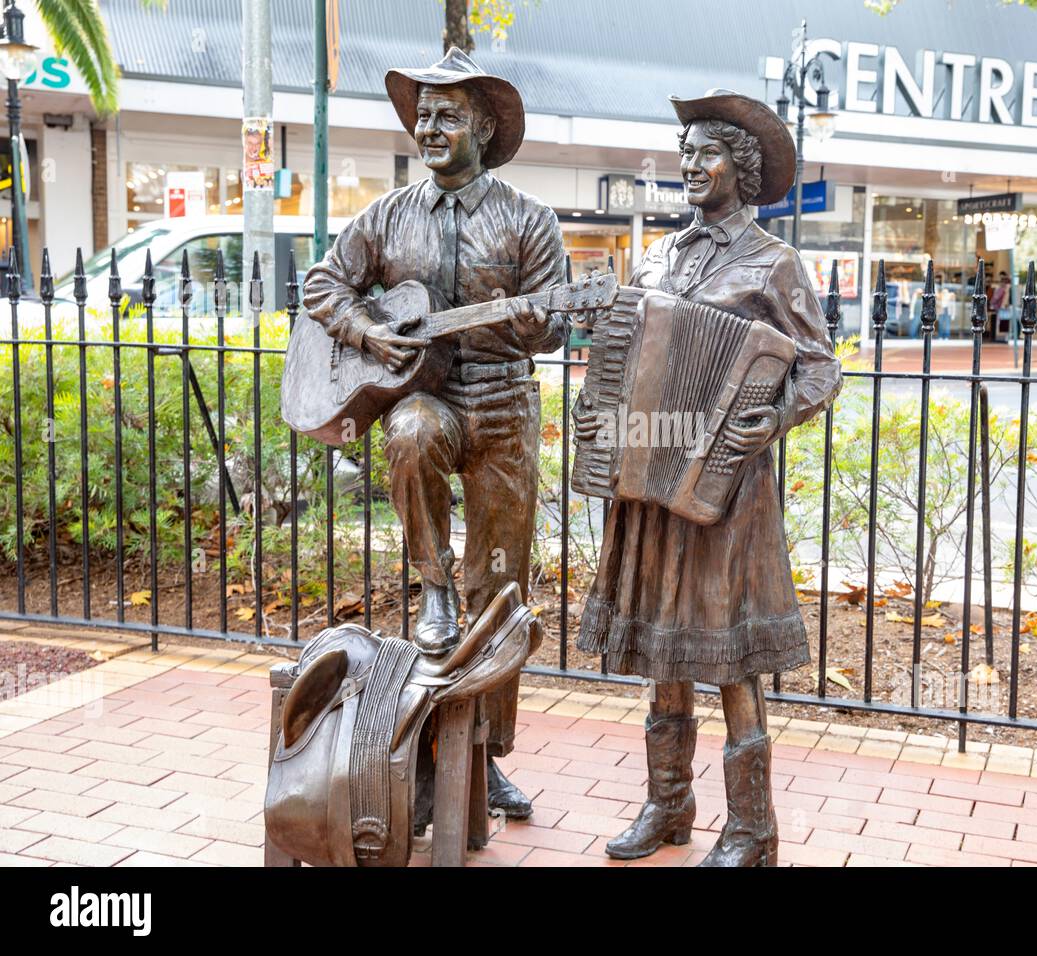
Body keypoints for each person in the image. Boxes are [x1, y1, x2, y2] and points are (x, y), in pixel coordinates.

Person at [574, 89, 841, 866]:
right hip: (652, 486)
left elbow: (821, 368)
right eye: (685, 153)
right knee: (663, 653)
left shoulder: (774, 261)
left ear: (742, 168)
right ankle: (669, 806)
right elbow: (626, 355)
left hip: (726, 493)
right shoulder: (662, 253)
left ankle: (752, 830)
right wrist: (602, 410)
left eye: (708, 153)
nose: (692, 166)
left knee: (730, 659)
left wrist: (777, 414)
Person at [301, 47, 566, 820]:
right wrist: (362, 330)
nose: (429, 127)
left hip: (503, 411)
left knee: (503, 591)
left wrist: (534, 323)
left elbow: (552, 326)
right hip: (432, 399)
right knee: (409, 432)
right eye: (422, 115)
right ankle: (432, 586)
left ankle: (483, 758)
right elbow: (323, 282)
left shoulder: (529, 220)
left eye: (447, 115)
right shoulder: (387, 215)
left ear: (482, 126)